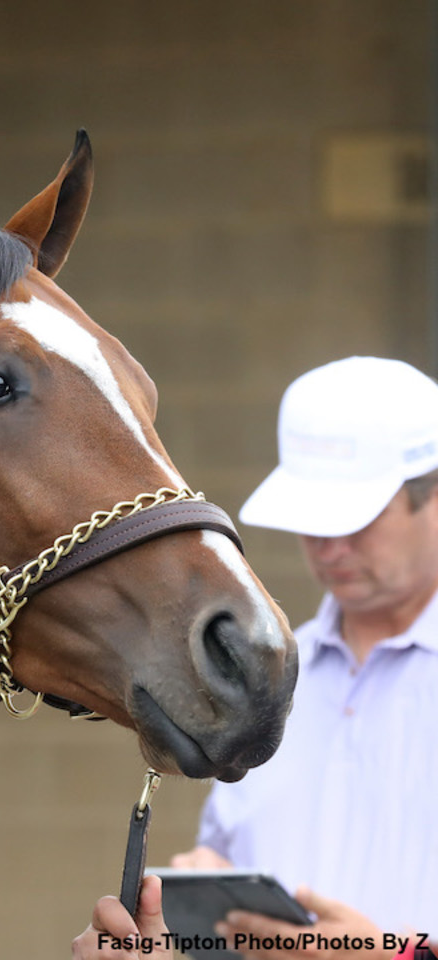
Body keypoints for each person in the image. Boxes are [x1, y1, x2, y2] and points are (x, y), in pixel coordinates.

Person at [159, 356, 438, 957]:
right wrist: (206, 896)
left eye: (357, 518)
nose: (330, 546)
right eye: (312, 519)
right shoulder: (273, 676)